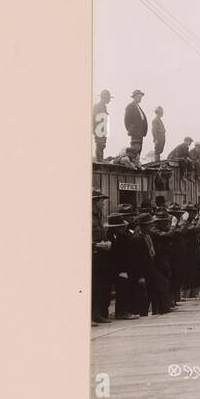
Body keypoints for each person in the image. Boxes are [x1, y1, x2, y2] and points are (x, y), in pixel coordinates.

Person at [91, 190, 112, 323]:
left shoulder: (98, 216)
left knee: (100, 286)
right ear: (94, 201)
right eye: (101, 201)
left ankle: (97, 314)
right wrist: (97, 245)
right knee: (93, 286)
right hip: (93, 255)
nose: (103, 204)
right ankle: (91, 315)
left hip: (100, 255)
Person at [123, 89, 148, 159]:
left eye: (141, 97)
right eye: (139, 97)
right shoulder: (130, 106)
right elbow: (126, 120)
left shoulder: (138, 107)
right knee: (134, 149)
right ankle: (133, 164)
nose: (140, 99)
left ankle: (136, 163)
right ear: (134, 97)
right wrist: (131, 130)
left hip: (140, 133)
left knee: (139, 149)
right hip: (135, 132)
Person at [92, 89, 111, 161]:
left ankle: (100, 160)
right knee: (99, 145)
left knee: (102, 146)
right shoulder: (96, 106)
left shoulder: (104, 107)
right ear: (104, 97)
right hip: (98, 129)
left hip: (103, 130)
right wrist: (94, 129)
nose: (109, 100)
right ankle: (99, 161)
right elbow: (93, 118)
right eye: (108, 98)